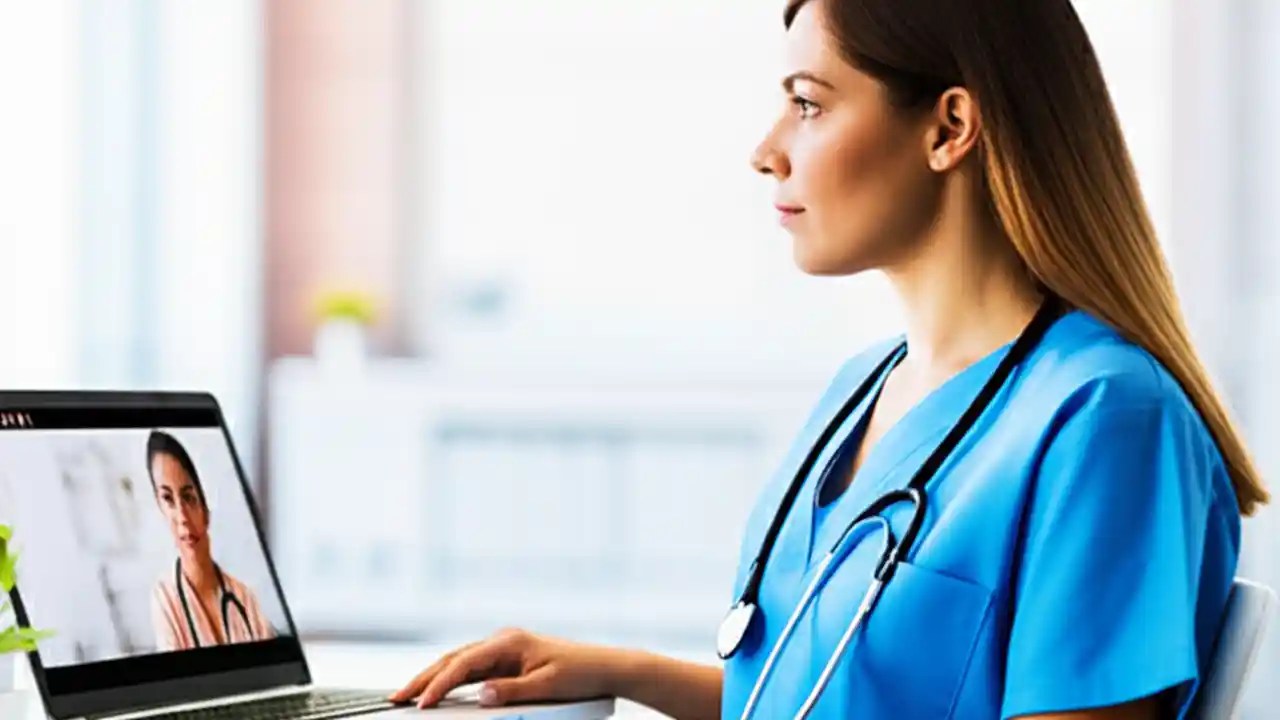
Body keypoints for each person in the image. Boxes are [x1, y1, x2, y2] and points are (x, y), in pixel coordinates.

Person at [391, 1, 1269, 718]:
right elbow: (835, 701)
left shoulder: (1107, 418)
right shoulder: (865, 388)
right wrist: (622, 672)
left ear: (949, 127)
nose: (766, 149)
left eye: (808, 104)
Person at [147, 430, 275, 651]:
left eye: (189, 497)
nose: (183, 518)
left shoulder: (245, 597)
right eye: (168, 499)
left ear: (206, 508)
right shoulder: (164, 598)